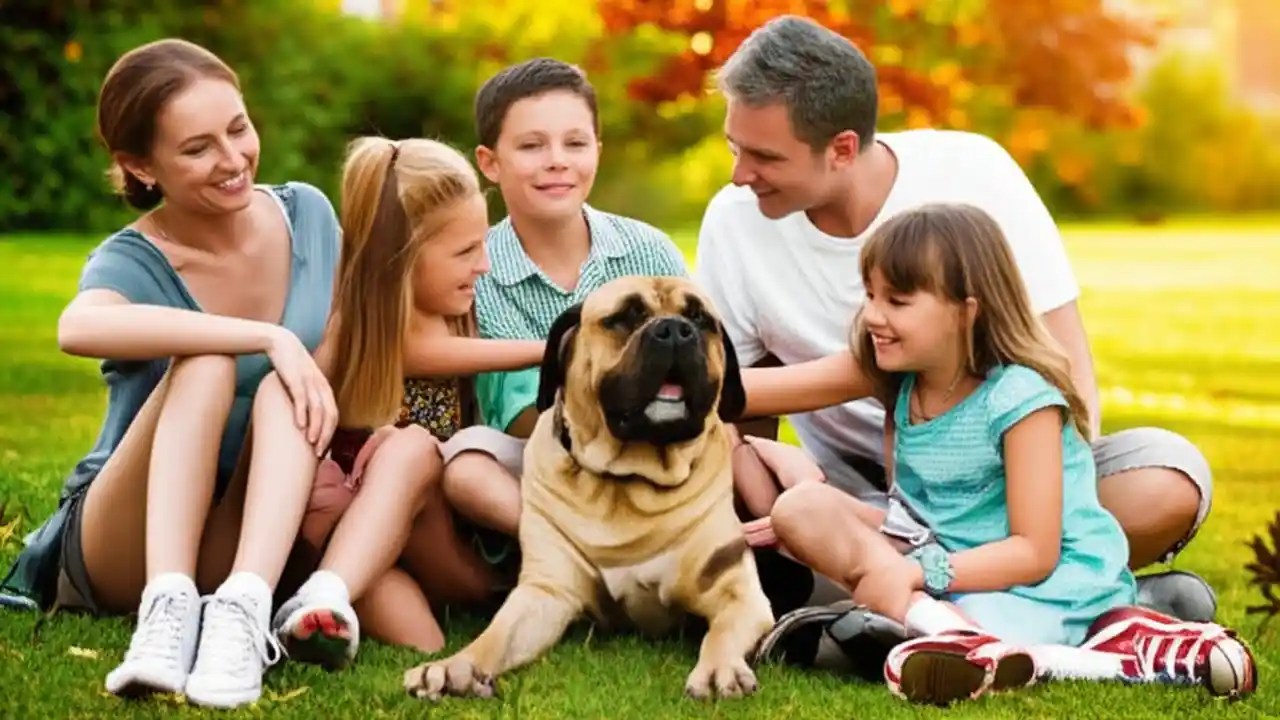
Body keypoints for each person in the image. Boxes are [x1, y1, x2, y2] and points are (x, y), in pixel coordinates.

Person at [692, 15, 1218, 659]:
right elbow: (743, 407)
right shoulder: (734, 223)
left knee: (1169, 477)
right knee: (794, 511)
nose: (741, 174)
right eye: (734, 148)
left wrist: (1013, 510)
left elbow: (1069, 380)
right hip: (879, 505)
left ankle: (885, 609)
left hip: (1018, 485)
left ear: (842, 148)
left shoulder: (973, 173)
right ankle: (1092, 607)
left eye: (765, 157)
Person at [750, 203, 1256, 706]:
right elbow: (917, 517)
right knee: (801, 507)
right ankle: (948, 634)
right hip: (952, 571)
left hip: (1043, 583)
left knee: (955, 621)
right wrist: (824, 513)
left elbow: (1034, 553)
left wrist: (913, 574)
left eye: (897, 300)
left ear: (967, 311)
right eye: (870, 295)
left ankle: (1117, 654)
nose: (874, 317)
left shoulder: (1019, 401)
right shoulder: (906, 390)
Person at [0, 39, 340, 709]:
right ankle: (165, 614)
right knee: (208, 361)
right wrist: (266, 335)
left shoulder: (308, 214)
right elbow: (78, 327)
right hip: (124, 535)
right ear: (139, 166)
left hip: (254, 525)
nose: (233, 159)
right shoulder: (129, 258)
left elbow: (346, 353)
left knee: (286, 389)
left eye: (238, 129)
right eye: (197, 149)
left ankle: (240, 614)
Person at [270, 136, 546, 667]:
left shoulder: (461, 313)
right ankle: (324, 600)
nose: (483, 266)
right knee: (423, 641)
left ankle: (329, 592)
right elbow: (414, 352)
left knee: (412, 451)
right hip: (359, 541)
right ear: (403, 256)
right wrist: (555, 347)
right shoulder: (352, 324)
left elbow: (435, 353)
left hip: (440, 542)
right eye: (466, 252)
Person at [436, 57, 689, 579]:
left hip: (650, 448)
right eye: (531, 146)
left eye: (575, 143)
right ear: (489, 162)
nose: (557, 161)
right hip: (536, 459)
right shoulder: (475, 268)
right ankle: (582, 556)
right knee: (467, 466)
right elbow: (516, 413)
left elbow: (691, 367)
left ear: (598, 149)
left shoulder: (649, 251)